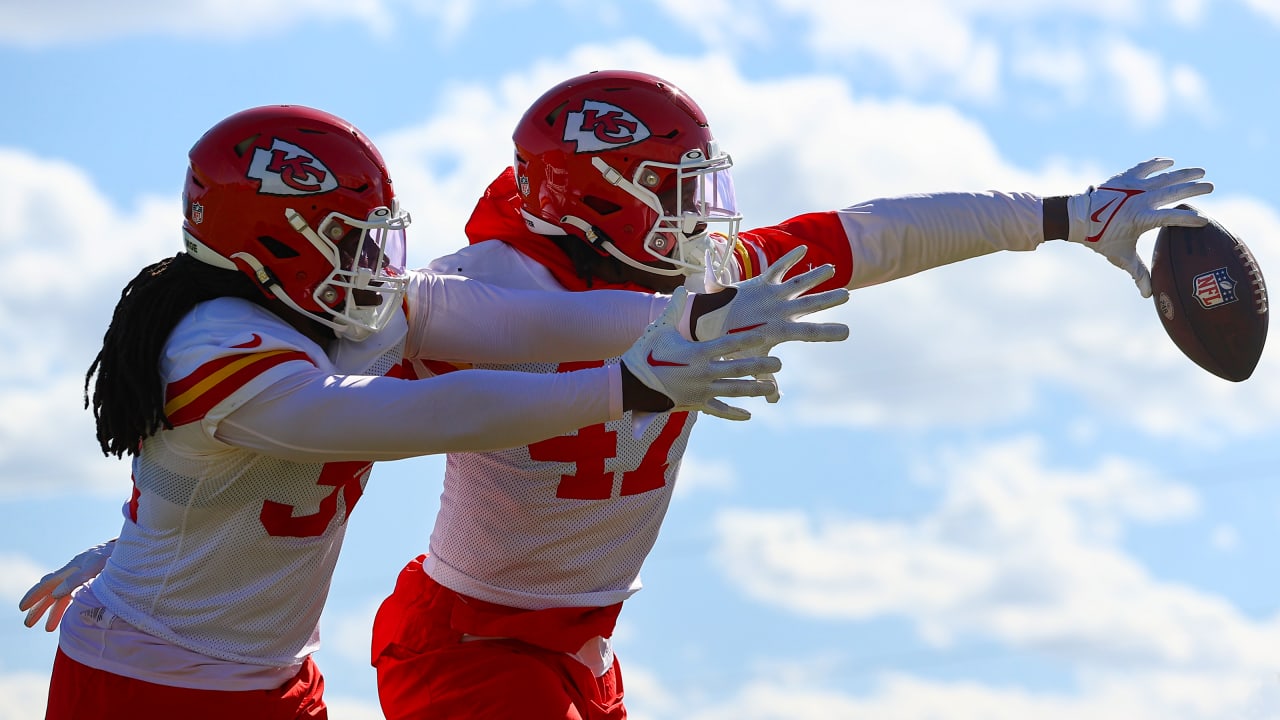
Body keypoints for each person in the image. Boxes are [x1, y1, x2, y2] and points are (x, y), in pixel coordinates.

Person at [27, 71, 1214, 719]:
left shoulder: (362, 310)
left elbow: (869, 234)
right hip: (467, 646)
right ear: (589, 199)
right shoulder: (443, 298)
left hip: (550, 653)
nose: (704, 218)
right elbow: (394, 414)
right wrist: (632, 375)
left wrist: (1059, 219)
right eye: (672, 190)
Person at [17, 102, 849, 720]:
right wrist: (625, 385)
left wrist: (693, 316)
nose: (374, 260)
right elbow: (423, 416)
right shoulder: (213, 344)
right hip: (145, 683)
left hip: (277, 675)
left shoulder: (341, 312)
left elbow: (528, 321)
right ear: (274, 238)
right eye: (350, 237)